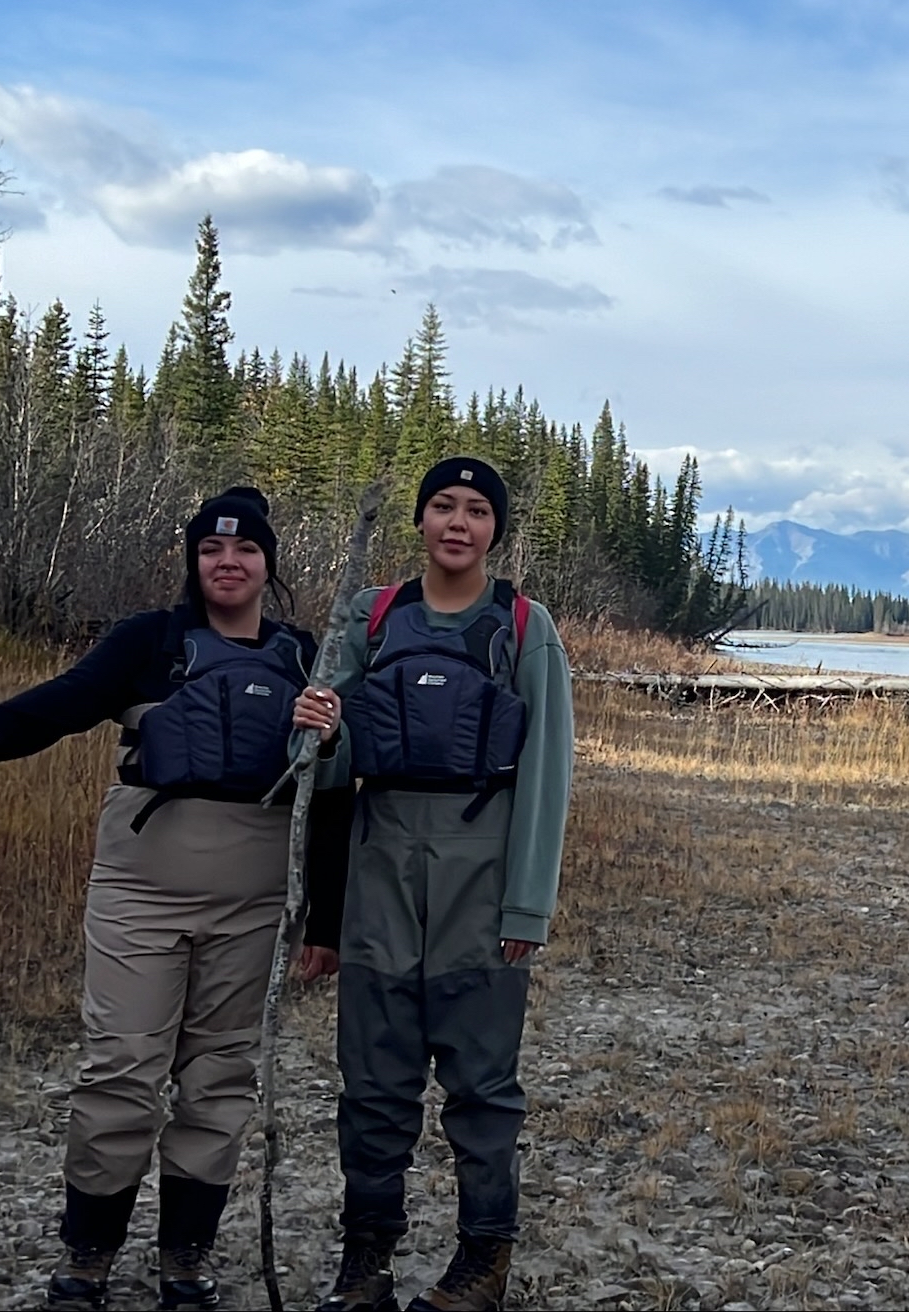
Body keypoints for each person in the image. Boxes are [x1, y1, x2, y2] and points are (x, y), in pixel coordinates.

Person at [0, 486, 352, 1312]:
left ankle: (186, 1260)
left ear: (268, 564)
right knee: (122, 1067)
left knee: (219, 1078)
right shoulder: (147, 642)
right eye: (209, 551)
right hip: (142, 887)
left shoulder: (307, 659)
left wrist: (327, 918)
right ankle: (87, 1257)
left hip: (256, 896)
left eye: (243, 551)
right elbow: (63, 704)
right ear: (194, 562)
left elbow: (335, 795)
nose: (225, 563)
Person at [296, 456, 574, 1312]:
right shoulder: (370, 618)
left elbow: (547, 768)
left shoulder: (523, 627)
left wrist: (527, 899)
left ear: (496, 529)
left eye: (477, 511)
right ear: (420, 520)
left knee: (481, 1087)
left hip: (481, 870)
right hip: (381, 870)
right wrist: (315, 728)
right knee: (373, 1083)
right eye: (443, 507)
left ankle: (481, 1264)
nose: (458, 523)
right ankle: (365, 1262)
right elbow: (324, 770)